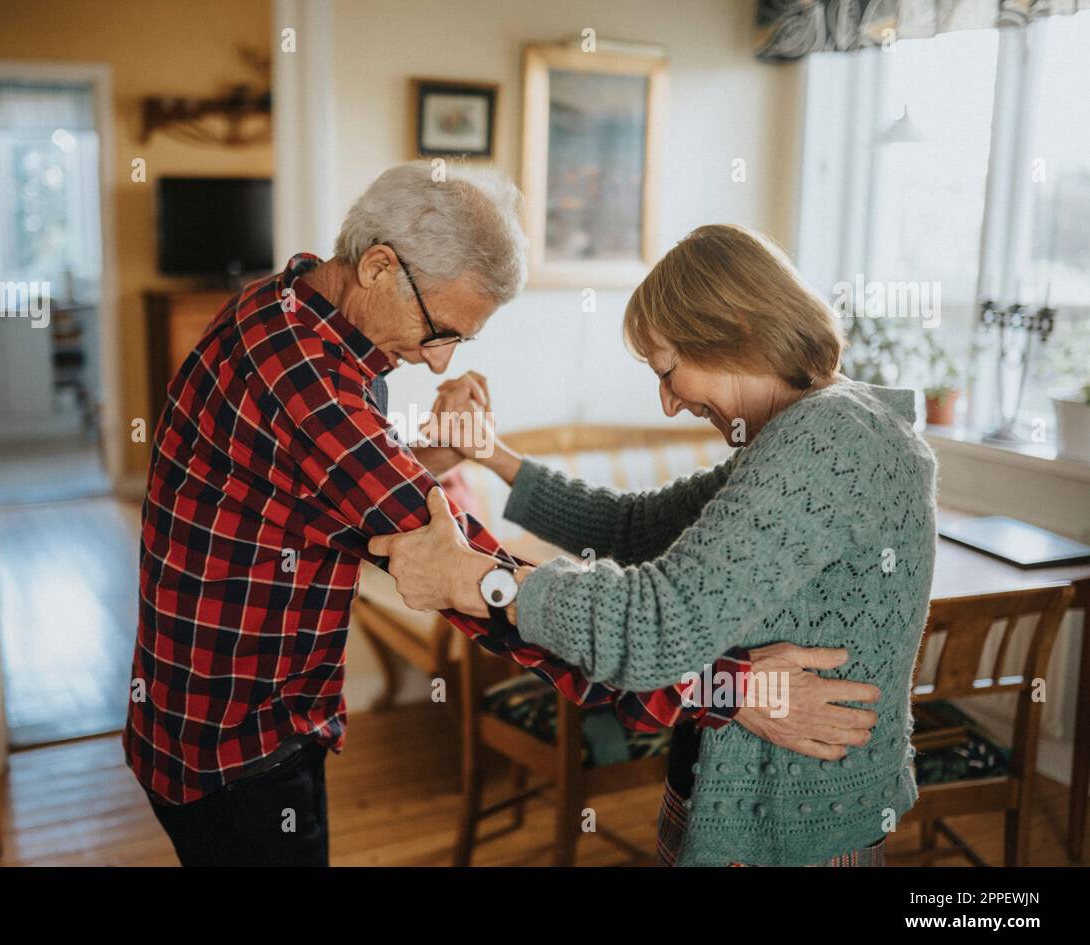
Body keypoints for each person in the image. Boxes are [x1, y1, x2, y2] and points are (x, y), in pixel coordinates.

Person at [124, 165, 884, 866]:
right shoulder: (308, 382)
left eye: (461, 339)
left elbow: (319, 493)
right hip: (236, 741)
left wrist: (448, 460)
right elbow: (480, 588)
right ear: (380, 265)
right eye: (441, 329)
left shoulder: (284, 306)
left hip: (210, 716)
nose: (440, 362)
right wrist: (730, 692)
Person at [370, 223, 936, 866]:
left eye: (669, 371)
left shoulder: (827, 441)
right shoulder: (810, 427)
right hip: (752, 803)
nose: (668, 404)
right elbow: (633, 528)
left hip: (783, 832)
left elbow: (655, 625)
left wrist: (481, 582)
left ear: (736, 331)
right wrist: (494, 458)